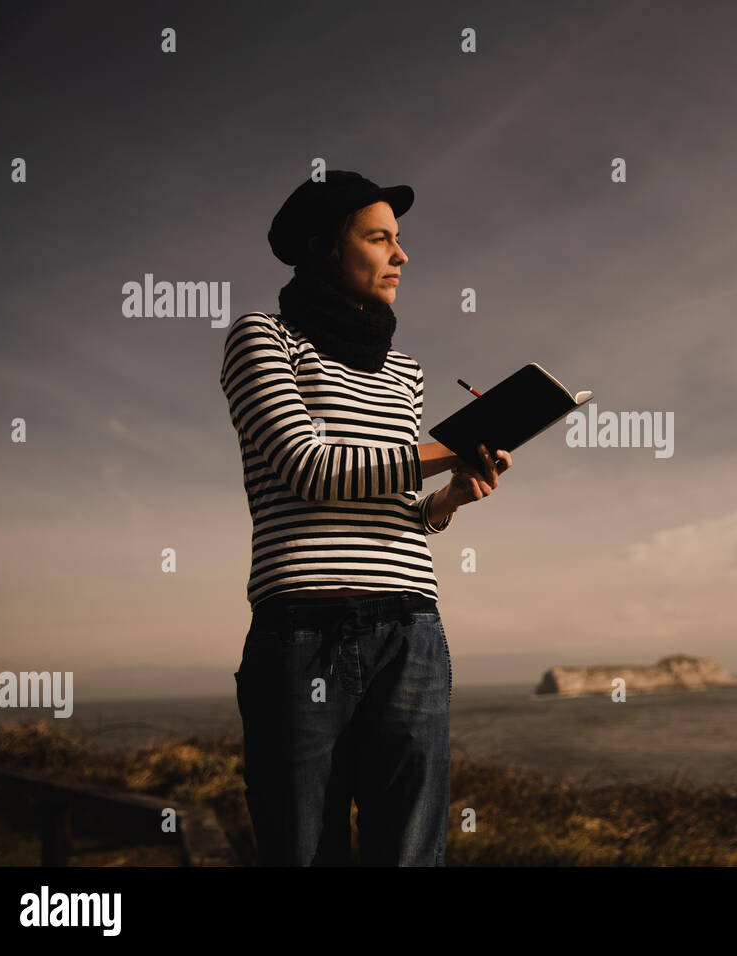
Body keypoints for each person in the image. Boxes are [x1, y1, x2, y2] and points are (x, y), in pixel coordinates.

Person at [219, 170, 510, 866]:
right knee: (303, 853)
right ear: (323, 248)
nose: (400, 256)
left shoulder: (402, 371)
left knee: (410, 857)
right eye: (379, 238)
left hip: (411, 633)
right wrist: (446, 451)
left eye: (399, 240)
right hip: (301, 635)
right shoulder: (261, 337)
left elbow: (394, 505)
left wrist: (445, 502)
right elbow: (307, 467)